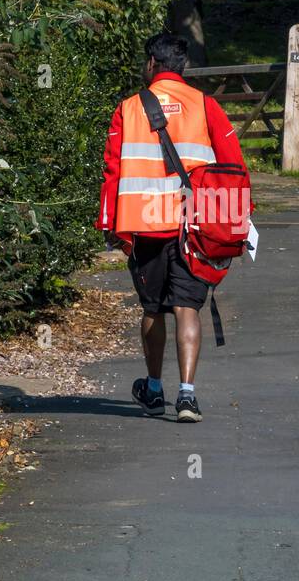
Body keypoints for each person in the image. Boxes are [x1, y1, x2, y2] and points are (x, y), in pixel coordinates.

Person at [97, 31, 249, 423]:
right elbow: (233, 167)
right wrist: (237, 221)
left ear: (151, 63)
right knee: (187, 309)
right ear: (182, 66)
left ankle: (152, 387)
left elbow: (112, 170)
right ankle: (187, 396)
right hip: (195, 227)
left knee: (153, 309)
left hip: (144, 226)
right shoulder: (206, 106)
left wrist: (108, 223)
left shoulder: (128, 108)